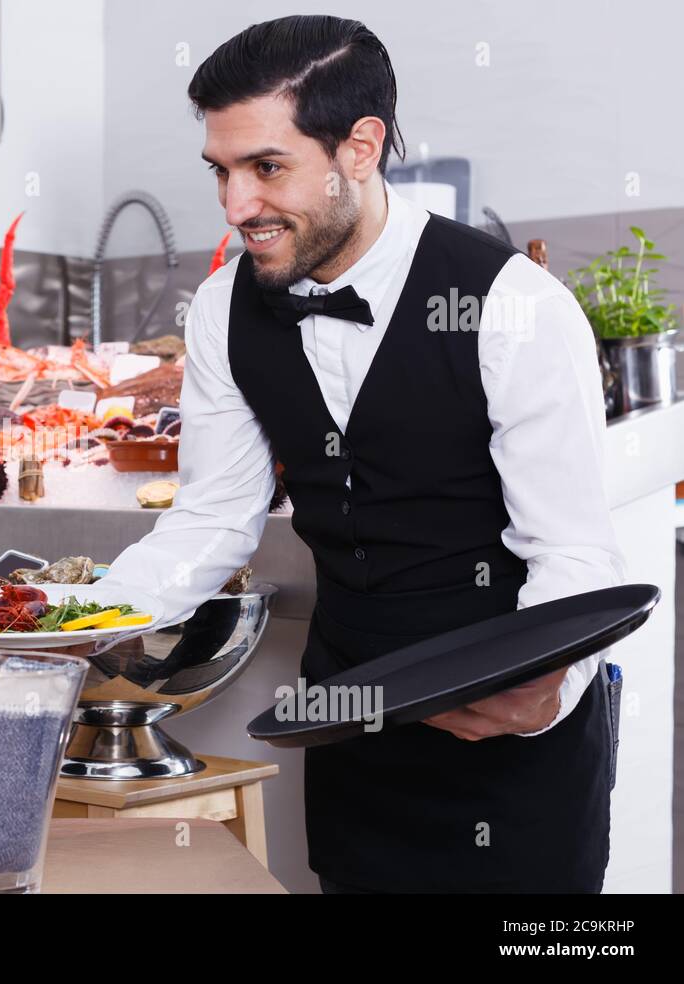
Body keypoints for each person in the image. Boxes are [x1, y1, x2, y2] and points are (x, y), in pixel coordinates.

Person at [96, 15, 624, 893]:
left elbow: (570, 552)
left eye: (267, 167)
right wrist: (77, 620)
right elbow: (213, 520)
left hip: (514, 741)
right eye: (220, 172)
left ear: (361, 147)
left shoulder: (511, 305)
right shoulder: (224, 309)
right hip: (349, 723)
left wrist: (540, 691)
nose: (235, 207)